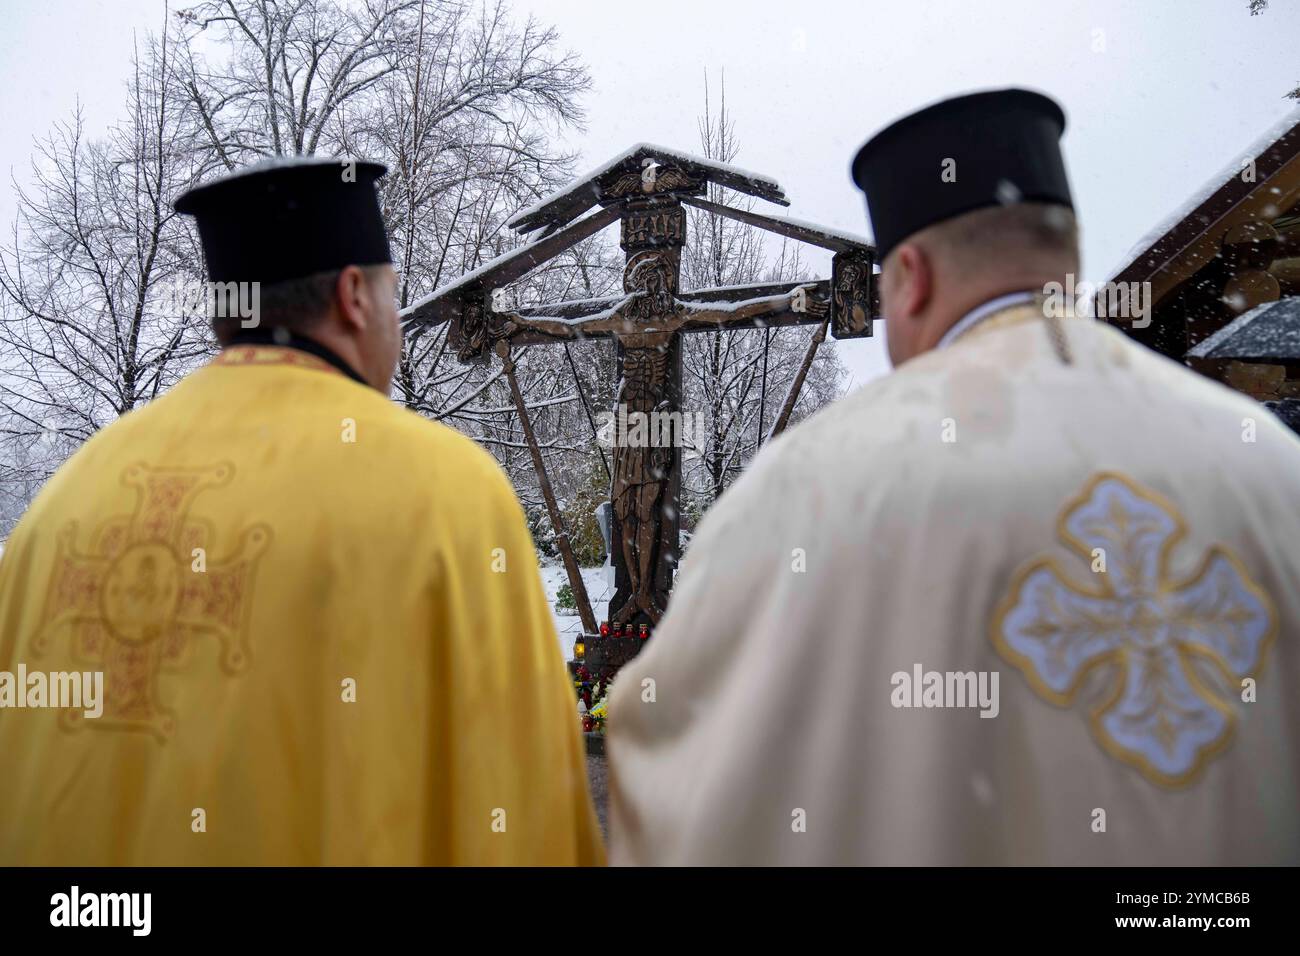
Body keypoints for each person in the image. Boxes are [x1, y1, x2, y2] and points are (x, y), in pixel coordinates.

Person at [607, 89, 1300, 865]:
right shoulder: (1270, 466)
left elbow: (685, 774)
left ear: (911, 276)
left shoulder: (807, 489)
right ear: (1064, 255)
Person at [0, 156, 603, 866]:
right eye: (393, 299)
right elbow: (518, 799)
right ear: (354, 296)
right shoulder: (442, 490)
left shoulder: (66, 499)